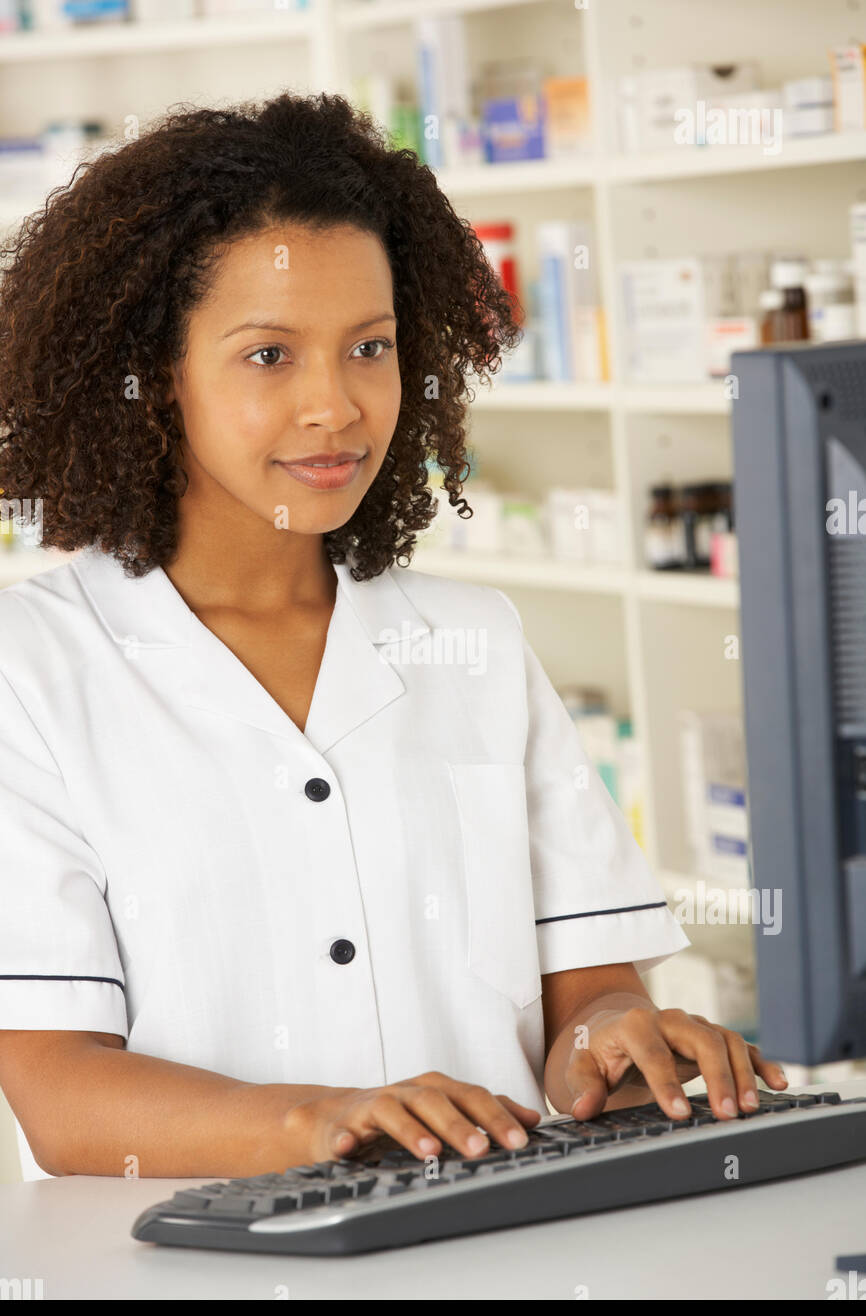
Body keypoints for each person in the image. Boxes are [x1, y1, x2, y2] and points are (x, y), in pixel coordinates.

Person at [0, 92, 786, 1180]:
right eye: (269, 356)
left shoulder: (472, 642)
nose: (336, 404)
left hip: (488, 1255)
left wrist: (611, 1039)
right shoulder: (32, 668)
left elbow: (583, 999)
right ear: (151, 376)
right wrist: (319, 1123)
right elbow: (58, 1088)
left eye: (368, 347)